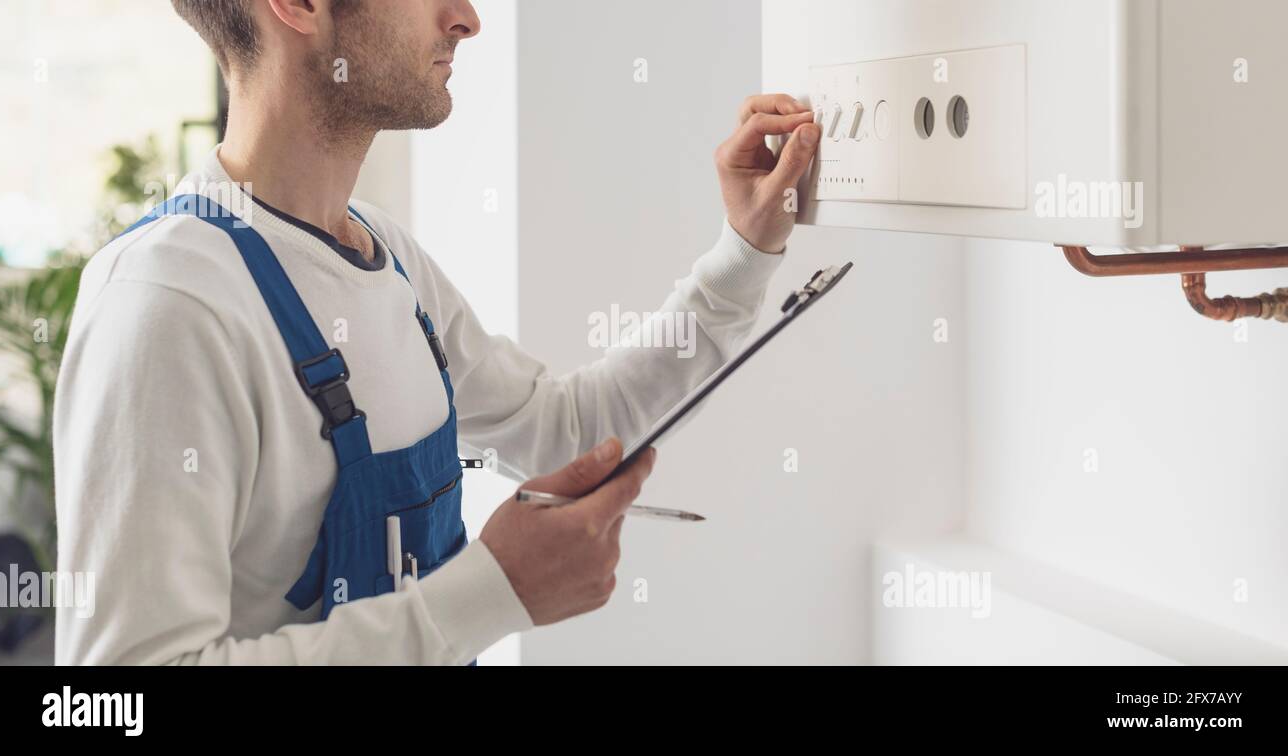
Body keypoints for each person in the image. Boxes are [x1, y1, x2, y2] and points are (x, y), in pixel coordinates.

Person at [53, 0, 821, 665]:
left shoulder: (386, 258)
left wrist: (743, 255)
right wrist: (489, 595)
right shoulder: (169, 302)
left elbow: (568, 431)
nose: (468, 19)